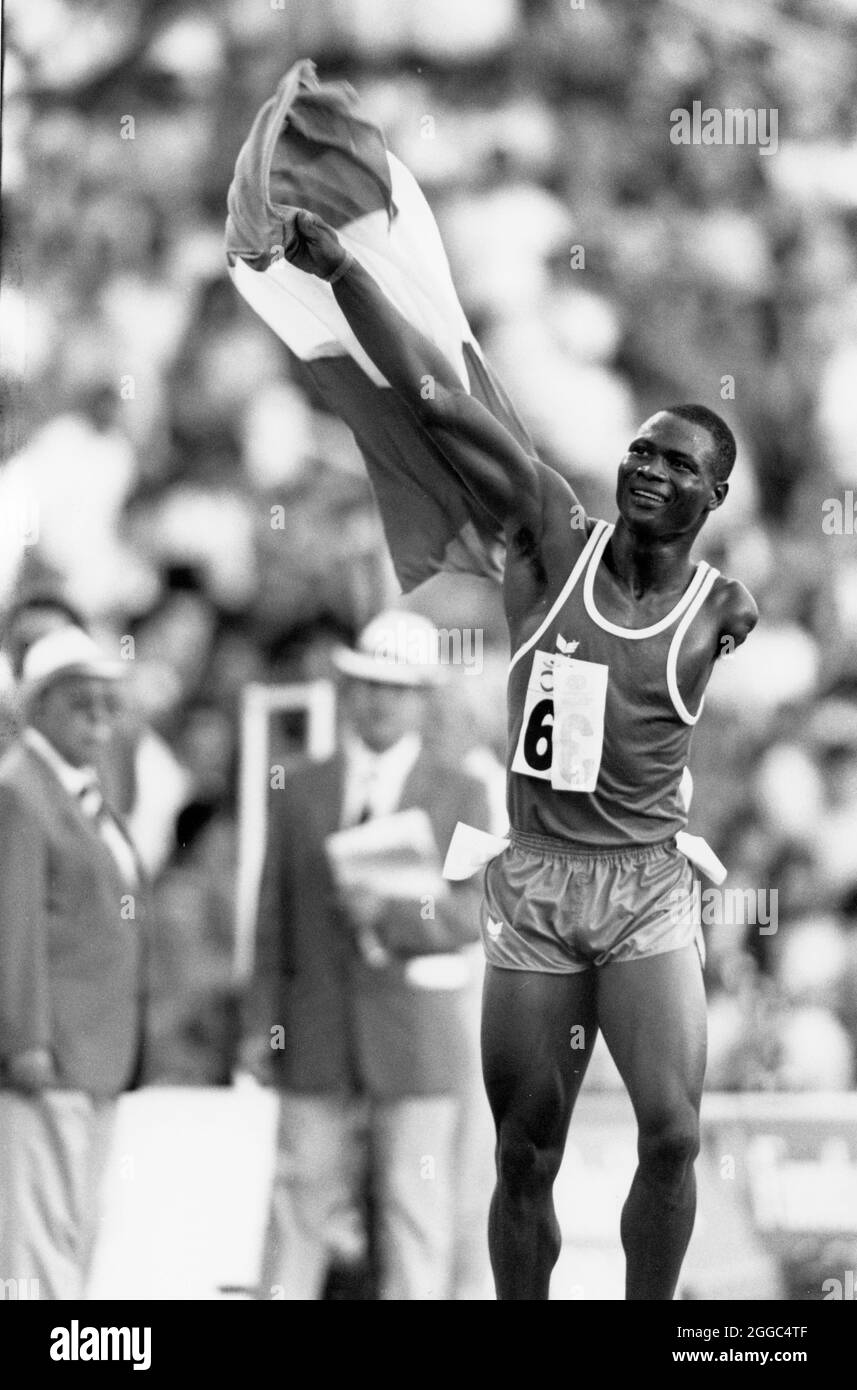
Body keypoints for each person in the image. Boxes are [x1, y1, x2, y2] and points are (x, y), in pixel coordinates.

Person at [266, 210, 759, 1301]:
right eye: (637, 448)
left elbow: (714, 630)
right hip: (534, 879)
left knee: (672, 1131)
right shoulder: (548, 534)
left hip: (641, 885)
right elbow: (437, 397)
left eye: (674, 465)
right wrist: (345, 271)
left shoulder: (717, 608)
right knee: (522, 1150)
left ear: (709, 498)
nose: (645, 468)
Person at [241, 610, 491, 1300]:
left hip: (414, 1039)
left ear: (420, 700)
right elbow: (273, 922)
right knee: (297, 1207)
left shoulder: (461, 790)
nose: (379, 701)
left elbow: (476, 913)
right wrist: (261, 1027)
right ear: (348, 691)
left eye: (396, 688)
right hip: (317, 1033)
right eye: (368, 685)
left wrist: (393, 915)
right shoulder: (300, 788)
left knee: (414, 1213)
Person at [0, 627, 147, 1299]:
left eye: (107, 703)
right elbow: (13, 927)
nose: (98, 717)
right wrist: (25, 1040)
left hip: (94, 1051)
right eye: (78, 702)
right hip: (50, 1050)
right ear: (36, 706)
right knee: (39, 1236)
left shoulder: (84, 788)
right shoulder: (20, 792)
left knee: (77, 1227)